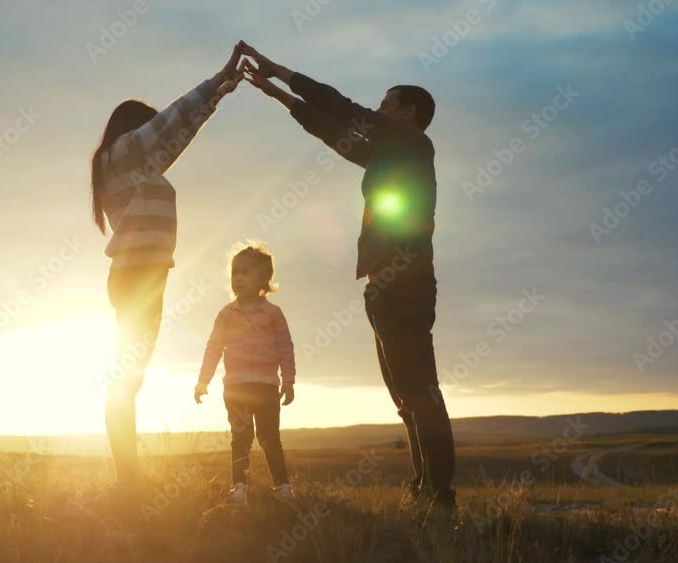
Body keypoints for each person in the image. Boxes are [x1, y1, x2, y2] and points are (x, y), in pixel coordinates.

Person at [238, 41, 456, 509]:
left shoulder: (414, 143)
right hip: (382, 284)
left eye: (386, 102)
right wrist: (274, 93)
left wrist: (278, 68)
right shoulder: (386, 155)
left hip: (407, 282)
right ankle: (424, 488)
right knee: (404, 393)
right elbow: (331, 130)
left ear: (409, 112)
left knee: (419, 388)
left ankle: (441, 496)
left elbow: (339, 106)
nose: (377, 109)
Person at [90, 46, 244, 489]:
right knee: (126, 379)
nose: (156, 135)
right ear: (133, 128)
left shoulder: (139, 164)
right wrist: (217, 77)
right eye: (149, 127)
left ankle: (128, 475)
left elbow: (182, 130)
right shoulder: (118, 155)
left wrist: (223, 91)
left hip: (146, 279)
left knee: (130, 379)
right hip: (136, 278)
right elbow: (172, 118)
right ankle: (128, 478)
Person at [195, 243, 296, 503]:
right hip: (236, 388)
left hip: (266, 387)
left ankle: (282, 487)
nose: (238, 278)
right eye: (235, 273)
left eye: (246, 272)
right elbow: (214, 347)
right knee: (240, 437)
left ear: (264, 279)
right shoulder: (226, 314)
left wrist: (289, 380)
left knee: (269, 436)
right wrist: (203, 380)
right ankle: (239, 486)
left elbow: (286, 347)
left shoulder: (273, 314)